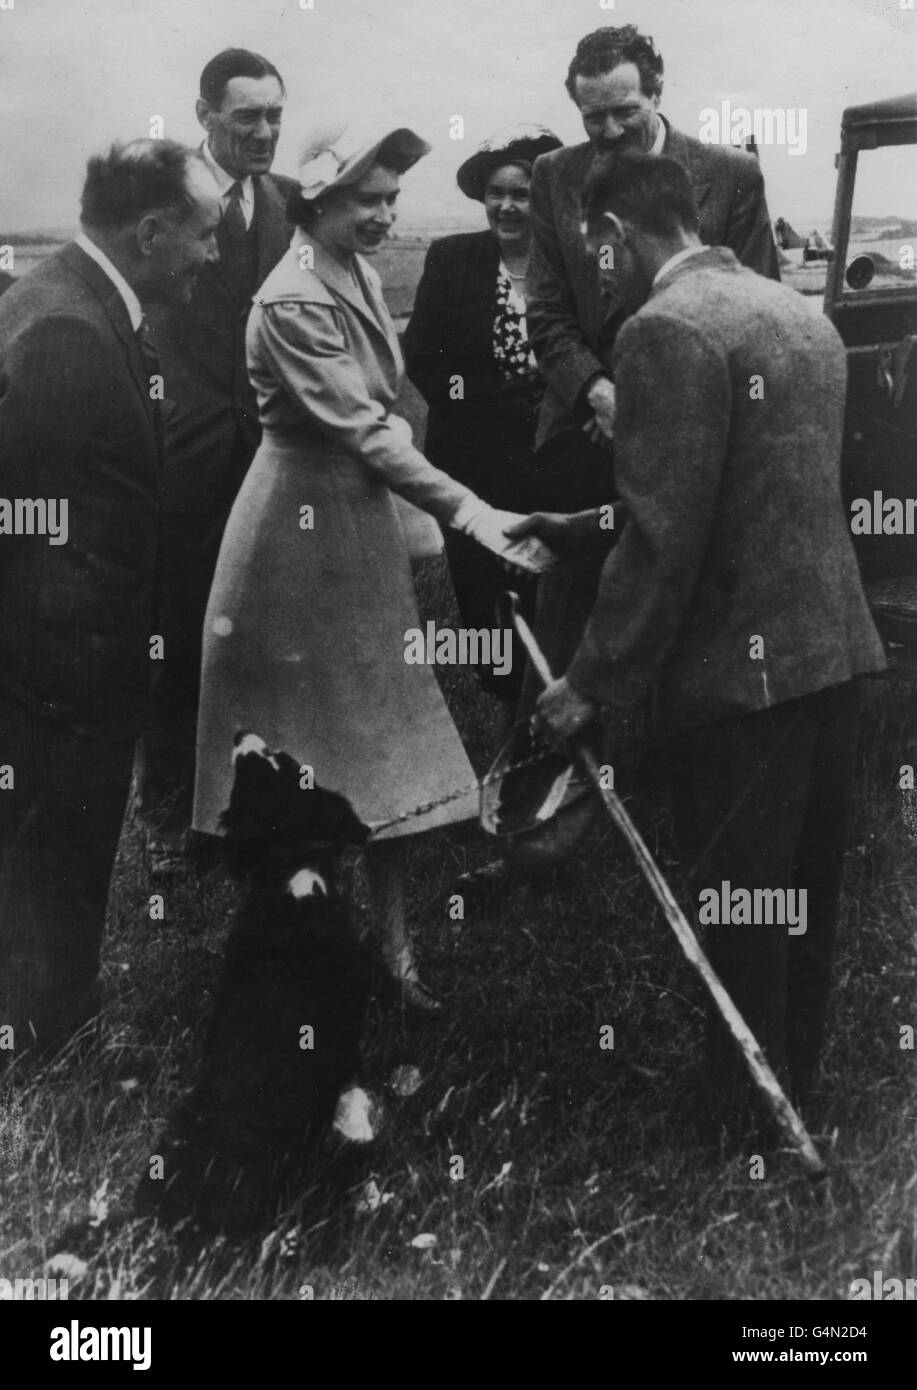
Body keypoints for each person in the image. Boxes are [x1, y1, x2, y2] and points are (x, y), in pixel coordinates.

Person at [515, 153, 885, 1138]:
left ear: (612, 235)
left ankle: (739, 1120)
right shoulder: (795, 311)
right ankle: (790, 1080)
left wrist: (588, 680)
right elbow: (745, 492)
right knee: (799, 893)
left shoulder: (663, 328)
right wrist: (588, 522)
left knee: (736, 895)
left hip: (740, 672)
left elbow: (667, 535)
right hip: (831, 650)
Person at [192, 124, 554, 1012]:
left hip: (352, 524)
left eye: (394, 201)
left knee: (389, 733)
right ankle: (292, 966)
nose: (388, 216)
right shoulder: (291, 300)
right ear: (316, 208)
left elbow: (380, 421)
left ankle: (393, 955)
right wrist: (471, 510)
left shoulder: (345, 271)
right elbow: (359, 427)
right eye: (370, 202)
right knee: (294, 749)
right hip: (293, 539)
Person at [0, 141, 221, 1065]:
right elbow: (24, 519)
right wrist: (69, 645)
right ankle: (48, 1044)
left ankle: (52, 1022)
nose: (211, 255)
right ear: (151, 231)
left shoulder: (76, 299)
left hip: (68, 654)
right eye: (203, 235)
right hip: (57, 666)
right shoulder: (66, 331)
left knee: (60, 851)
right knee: (57, 852)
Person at [524, 23, 781, 685]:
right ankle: (557, 755)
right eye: (591, 117)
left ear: (658, 89)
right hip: (584, 426)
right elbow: (547, 313)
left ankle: (666, 760)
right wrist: (599, 395)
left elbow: (753, 307)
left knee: (688, 608)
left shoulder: (729, 175)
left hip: (692, 425)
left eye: (624, 112)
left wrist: (649, 408)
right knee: (572, 610)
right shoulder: (553, 175)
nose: (607, 131)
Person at [138, 49, 299, 868]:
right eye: (247, 118)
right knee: (178, 631)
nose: (266, 132)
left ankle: (249, 803)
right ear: (204, 116)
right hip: (183, 452)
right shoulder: (159, 199)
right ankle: (168, 815)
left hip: (269, 451)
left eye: (275, 115)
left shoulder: (287, 204)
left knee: (260, 631)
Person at [403, 125, 562, 728]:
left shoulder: (568, 262)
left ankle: (557, 724)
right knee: (483, 595)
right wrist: (486, 404)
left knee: (553, 594)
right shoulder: (453, 260)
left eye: (521, 192)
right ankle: (506, 726)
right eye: (496, 193)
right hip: (473, 464)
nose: (507, 206)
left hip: (554, 467)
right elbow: (424, 356)